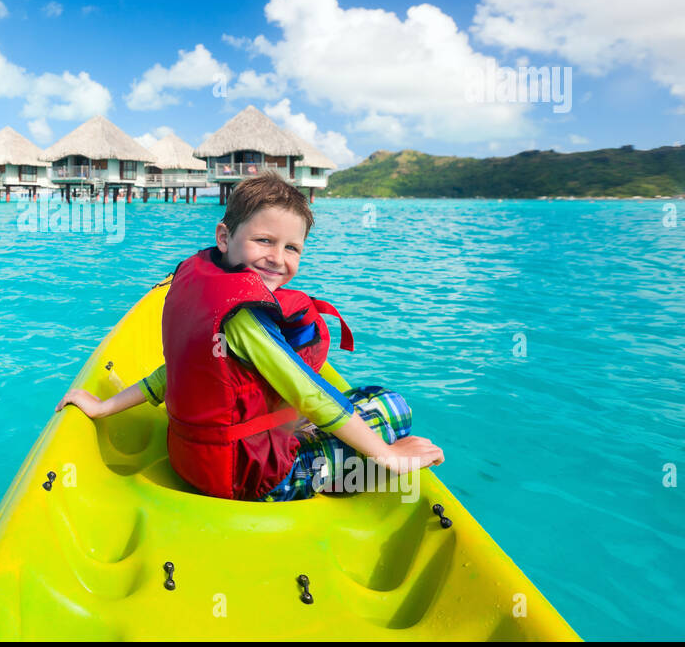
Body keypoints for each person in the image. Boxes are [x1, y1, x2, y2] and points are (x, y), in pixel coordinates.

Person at [57, 172, 444, 501]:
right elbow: (309, 393)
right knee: (392, 405)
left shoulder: (199, 282)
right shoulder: (244, 316)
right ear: (225, 237)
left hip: (194, 459)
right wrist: (386, 456)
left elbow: (174, 374)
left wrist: (105, 407)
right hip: (249, 478)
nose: (278, 258)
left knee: (360, 400)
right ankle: (329, 479)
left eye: (292, 247)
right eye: (264, 241)